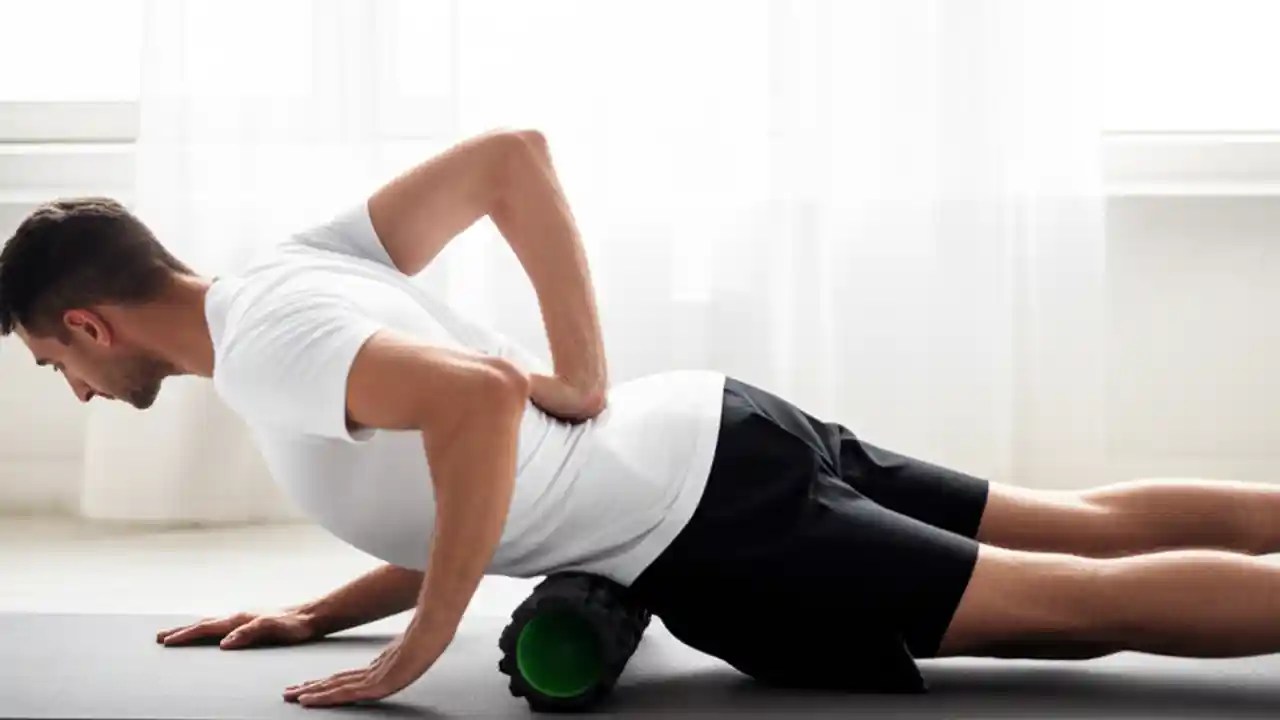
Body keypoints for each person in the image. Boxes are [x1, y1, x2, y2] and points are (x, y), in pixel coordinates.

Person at [4, 128, 1280, 707]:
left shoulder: (268, 355)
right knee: (1078, 525)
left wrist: (422, 646)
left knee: (1074, 608)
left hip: (719, 517)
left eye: (47, 364)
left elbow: (473, 403)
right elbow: (510, 158)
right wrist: (327, 612)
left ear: (88, 327)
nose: (69, 391)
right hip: (718, 430)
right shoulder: (284, 274)